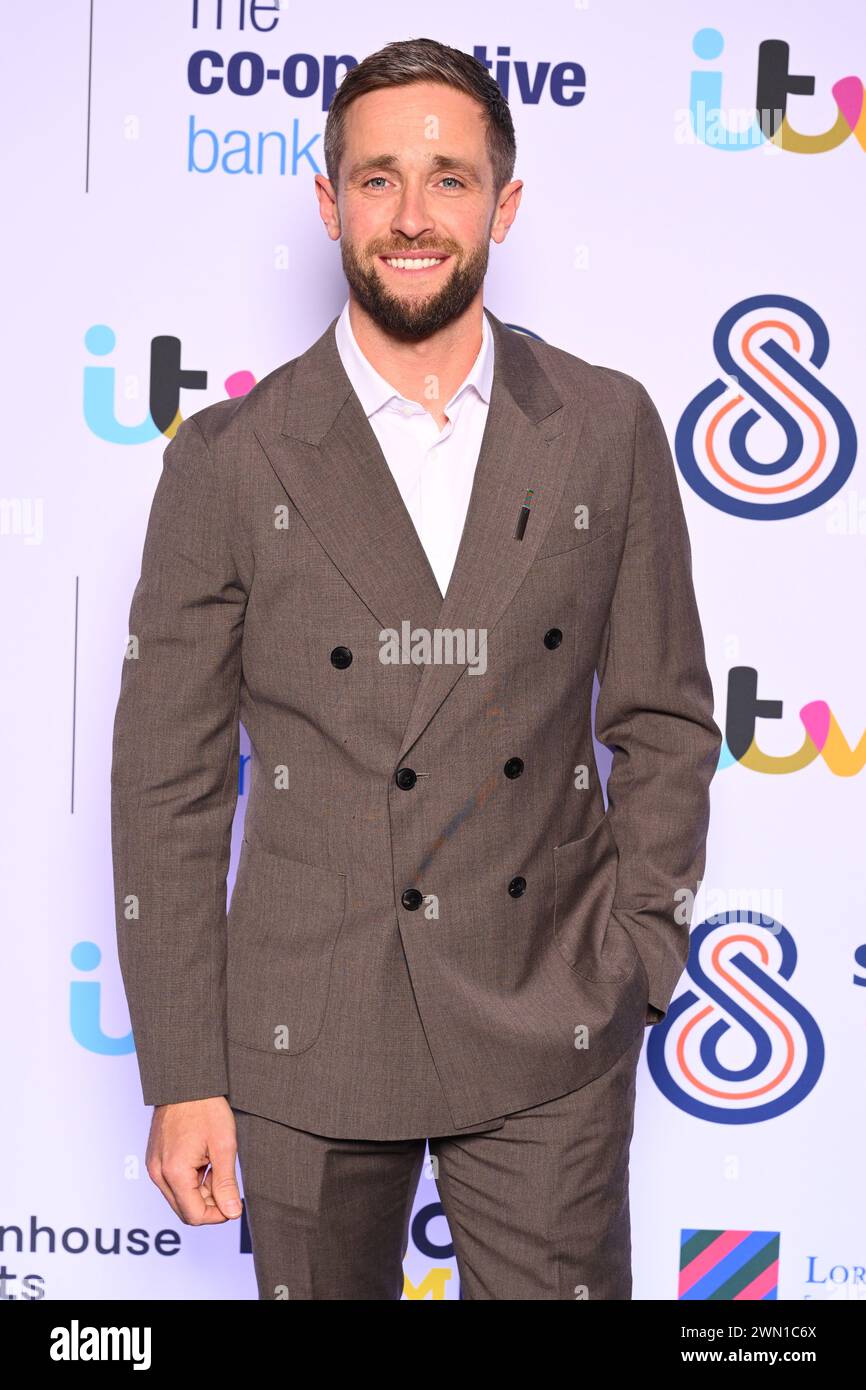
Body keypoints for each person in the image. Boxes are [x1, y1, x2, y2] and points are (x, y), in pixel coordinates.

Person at [110, 36, 722, 1300]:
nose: (411, 215)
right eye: (378, 179)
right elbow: (165, 787)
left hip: (544, 1008)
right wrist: (183, 1071)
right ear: (329, 204)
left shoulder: (604, 429)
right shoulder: (229, 459)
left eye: (447, 179)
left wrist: (635, 954)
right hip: (304, 1031)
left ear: (502, 204)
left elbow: (662, 716)